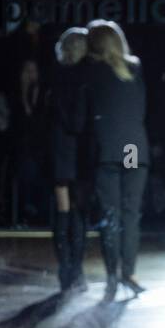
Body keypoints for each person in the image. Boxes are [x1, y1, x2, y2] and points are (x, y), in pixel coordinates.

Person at [80, 19, 150, 306]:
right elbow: (142, 107)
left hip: (107, 149)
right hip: (132, 147)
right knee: (130, 213)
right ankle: (129, 272)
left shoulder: (90, 71)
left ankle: (113, 274)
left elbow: (86, 113)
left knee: (111, 215)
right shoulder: (134, 67)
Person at [50, 27, 90, 297]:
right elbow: (77, 121)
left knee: (63, 209)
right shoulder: (82, 79)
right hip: (77, 151)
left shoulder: (54, 77)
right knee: (77, 211)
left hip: (58, 150)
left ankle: (66, 272)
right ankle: (76, 271)